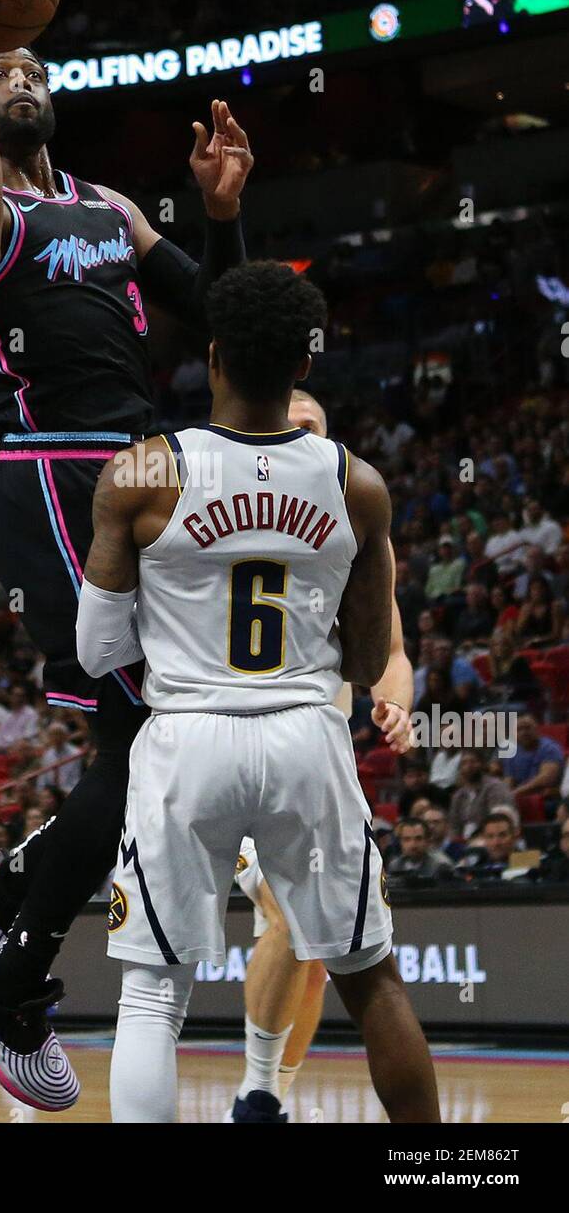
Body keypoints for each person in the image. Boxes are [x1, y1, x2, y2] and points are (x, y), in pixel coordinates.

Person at [0, 0, 253, 1109]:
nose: (18, 75)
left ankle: (14, 903)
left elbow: (228, 322)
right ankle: (11, 952)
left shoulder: (108, 206)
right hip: (54, 476)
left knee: (153, 742)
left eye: (29, 64)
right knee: (159, 738)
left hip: (142, 470)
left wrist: (220, 214)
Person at [76, 261, 440, 1123]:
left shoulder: (140, 474)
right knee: (371, 979)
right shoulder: (358, 484)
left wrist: (174, 635)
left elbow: (95, 652)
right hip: (305, 737)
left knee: (153, 998)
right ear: (304, 367)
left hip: (186, 736)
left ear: (212, 357)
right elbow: (366, 657)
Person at [227, 387, 415, 1121]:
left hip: (323, 762)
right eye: (291, 419)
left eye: (316, 424)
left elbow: (393, 649)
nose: (301, 430)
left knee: (314, 954)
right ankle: (258, 1093)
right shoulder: (229, 513)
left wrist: (395, 698)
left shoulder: (357, 521)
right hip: (242, 749)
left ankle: (271, 1096)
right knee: (289, 920)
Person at [448, 748, 519, 843]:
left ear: (483, 764)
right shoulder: (459, 795)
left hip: (493, 840)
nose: (468, 766)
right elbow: (454, 826)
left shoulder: (495, 788)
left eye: (473, 762)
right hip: (464, 843)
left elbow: (500, 821)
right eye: (464, 763)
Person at [385, 818, 454, 883]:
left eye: (418, 839)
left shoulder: (441, 866)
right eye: (407, 839)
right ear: (400, 842)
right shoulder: (395, 865)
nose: (413, 844)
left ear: (428, 840)